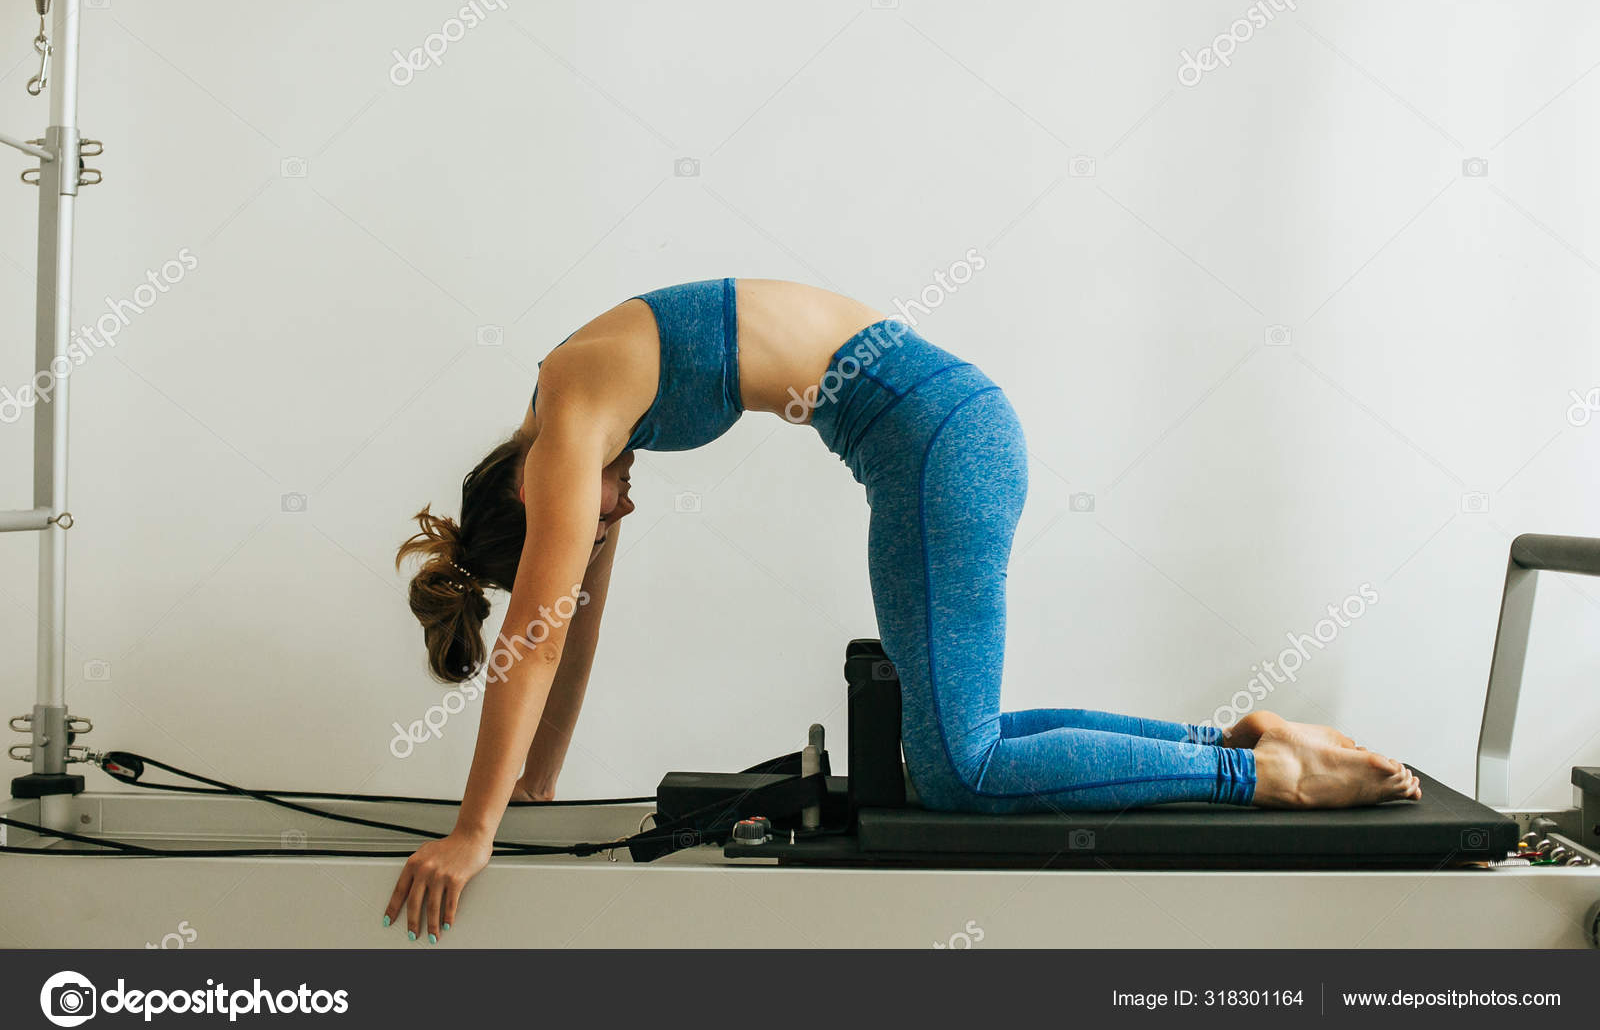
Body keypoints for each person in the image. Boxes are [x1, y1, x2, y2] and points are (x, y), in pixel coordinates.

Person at [383, 278, 1421, 941]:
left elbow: (538, 630)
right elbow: (576, 620)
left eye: (596, 516)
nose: (621, 506)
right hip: (939, 437)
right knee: (951, 748)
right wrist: (539, 781)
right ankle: (1228, 736)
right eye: (604, 515)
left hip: (933, 447)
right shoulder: (572, 409)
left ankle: (1264, 774)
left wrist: (474, 830)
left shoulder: (568, 423)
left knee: (957, 771)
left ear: (530, 495)